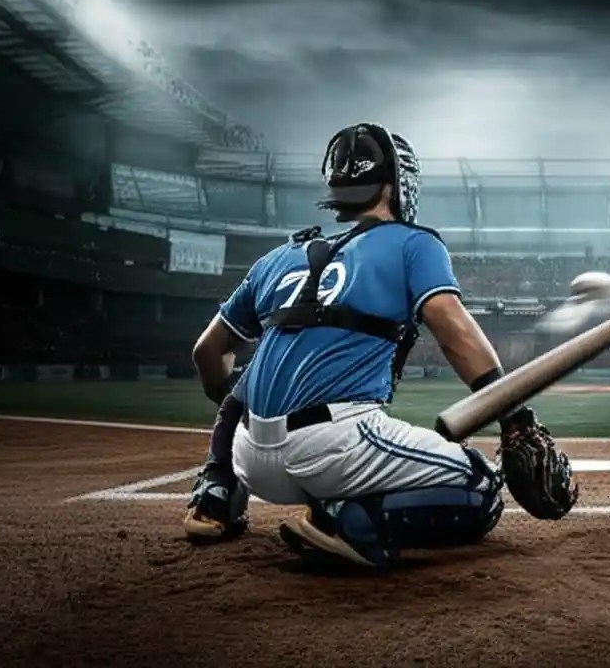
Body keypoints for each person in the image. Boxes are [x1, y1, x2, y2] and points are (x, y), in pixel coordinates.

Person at [183, 122, 578, 568]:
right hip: (333, 445)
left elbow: (207, 353)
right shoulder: (414, 243)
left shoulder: (278, 258)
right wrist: (515, 417)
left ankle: (218, 490)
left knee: (260, 370)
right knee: (481, 487)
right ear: (399, 184)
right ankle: (351, 521)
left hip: (251, 461)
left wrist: (241, 416)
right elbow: (453, 331)